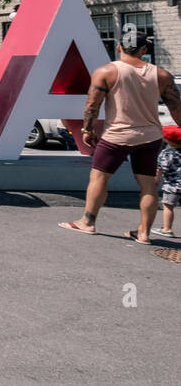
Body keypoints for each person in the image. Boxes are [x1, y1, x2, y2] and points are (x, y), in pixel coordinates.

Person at [60, 33, 181, 242]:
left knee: (99, 177)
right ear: (144, 50)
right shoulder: (162, 75)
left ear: (119, 48)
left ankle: (87, 222)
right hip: (150, 136)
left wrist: (87, 130)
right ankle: (143, 232)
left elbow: (92, 105)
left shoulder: (106, 72)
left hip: (117, 136)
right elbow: (176, 108)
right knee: (148, 185)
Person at [156, 125, 181, 238]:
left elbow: (160, 168)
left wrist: (156, 180)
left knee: (168, 206)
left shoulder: (166, 153)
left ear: (167, 139)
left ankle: (167, 229)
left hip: (172, 186)